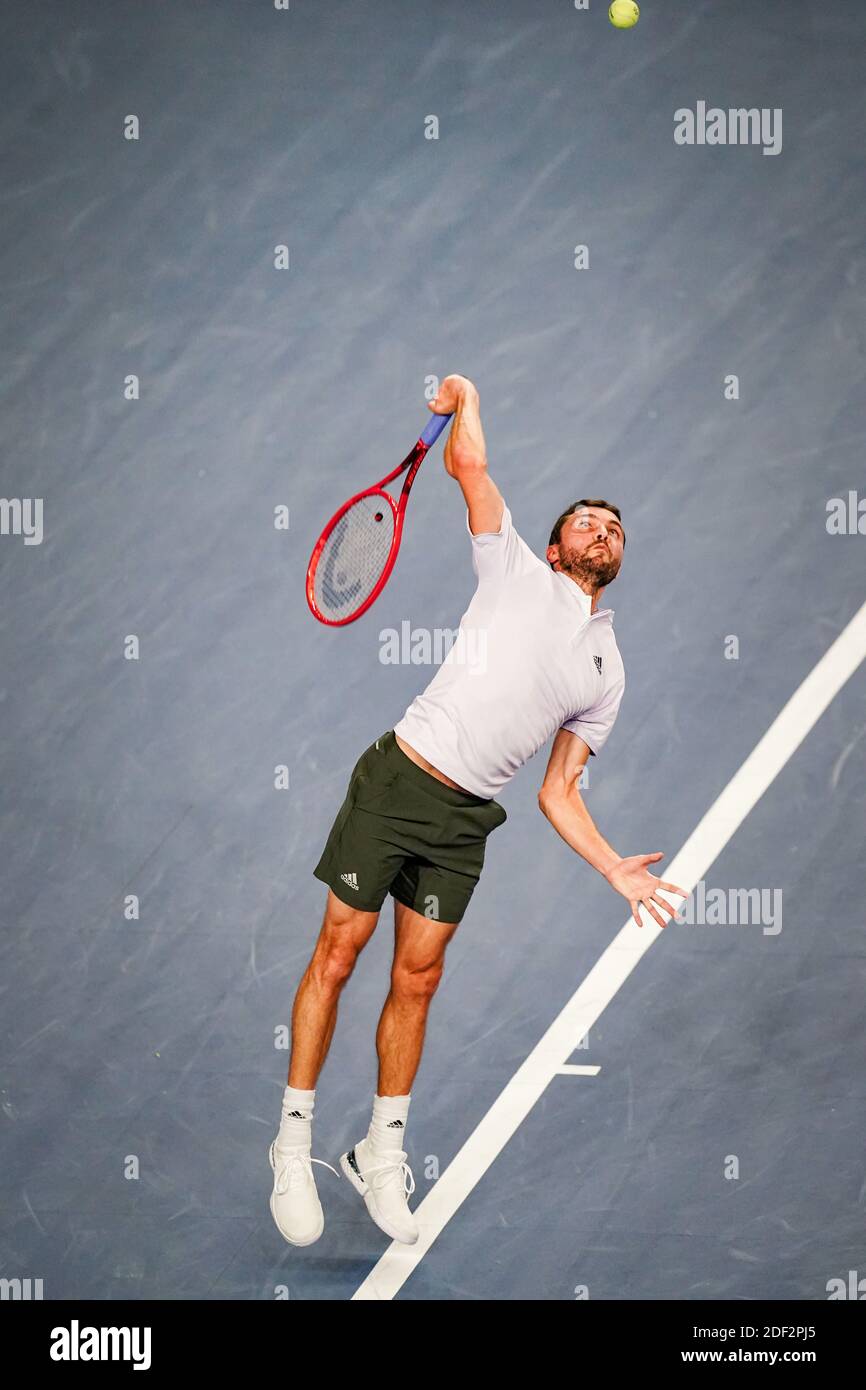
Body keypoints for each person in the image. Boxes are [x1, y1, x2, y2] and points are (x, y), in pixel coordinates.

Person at [269, 374, 684, 1247]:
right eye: (587, 520)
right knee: (338, 954)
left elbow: (557, 791)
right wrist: (468, 396)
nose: (602, 531)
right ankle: (290, 1140)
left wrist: (611, 864)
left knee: (416, 980)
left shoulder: (608, 674)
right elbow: (471, 465)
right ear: (557, 540)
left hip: (465, 824)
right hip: (396, 784)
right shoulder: (509, 564)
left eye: (614, 529)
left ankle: (379, 1154)